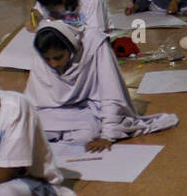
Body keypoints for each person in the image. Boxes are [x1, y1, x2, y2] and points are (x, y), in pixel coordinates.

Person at [28, 21, 178, 150]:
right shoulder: (41, 58)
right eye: (47, 59)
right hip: (54, 111)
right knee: (32, 132)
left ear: (71, 48)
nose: (53, 64)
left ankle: (66, 134)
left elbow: (111, 93)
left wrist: (108, 135)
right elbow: (34, 103)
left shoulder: (94, 45)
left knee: (86, 136)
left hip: (89, 108)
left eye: (58, 57)